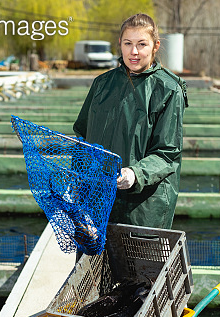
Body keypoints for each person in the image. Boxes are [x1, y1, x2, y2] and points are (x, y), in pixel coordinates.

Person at [73, 12, 188, 230]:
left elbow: (167, 153)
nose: (134, 52)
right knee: (93, 262)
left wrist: (135, 174)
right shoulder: (101, 84)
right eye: (128, 43)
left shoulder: (169, 89)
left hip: (143, 210)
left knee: (138, 264)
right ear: (120, 44)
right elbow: (82, 135)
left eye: (142, 44)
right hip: (96, 203)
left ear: (155, 46)